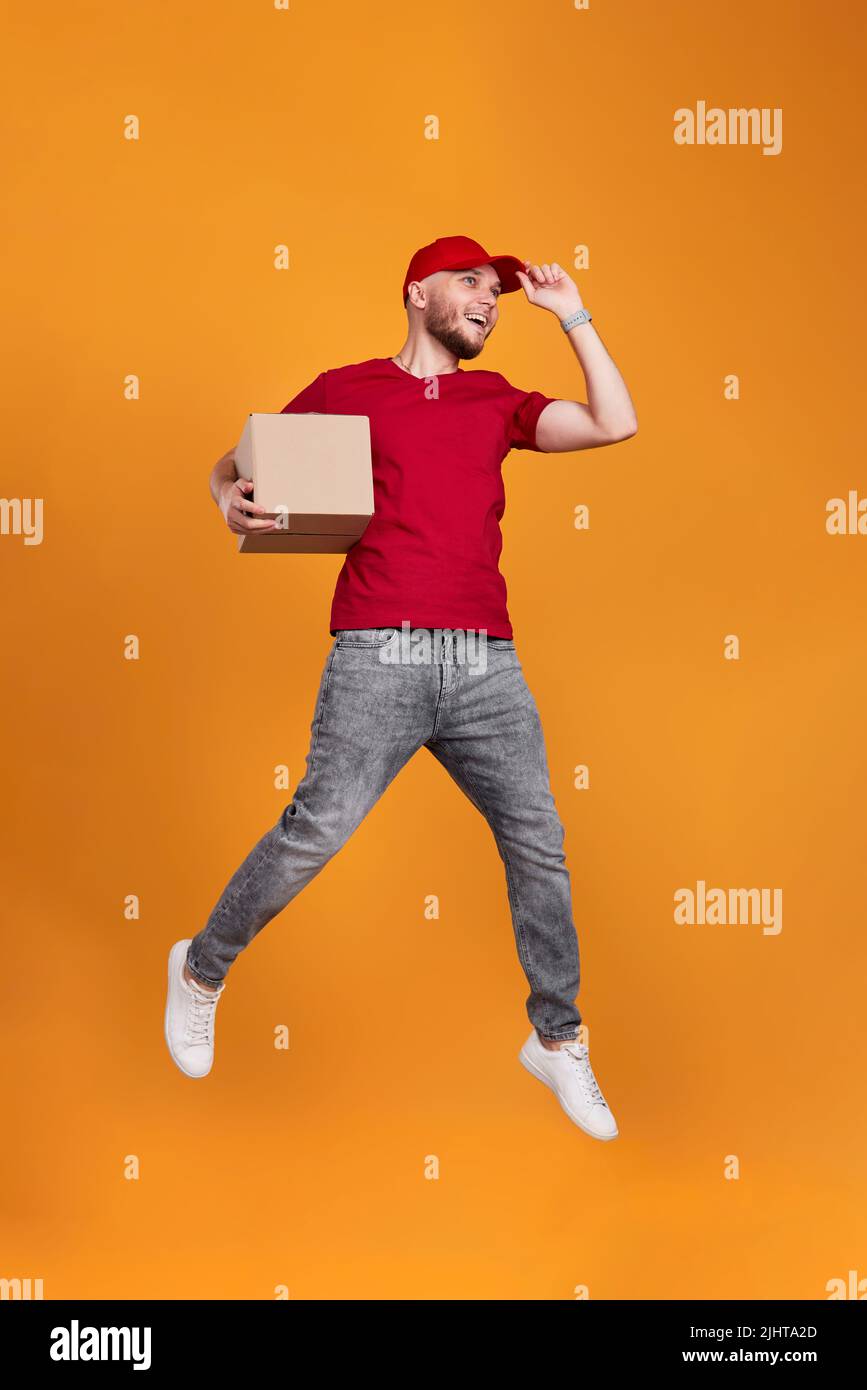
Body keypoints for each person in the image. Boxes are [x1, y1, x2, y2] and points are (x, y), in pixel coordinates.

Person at [164, 235, 637, 1140]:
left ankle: (557, 1038)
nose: (489, 300)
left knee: (538, 842)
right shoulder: (347, 389)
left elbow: (614, 422)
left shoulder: (495, 400)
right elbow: (235, 461)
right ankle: (200, 968)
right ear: (418, 292)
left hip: (485, 662)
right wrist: (225, 495)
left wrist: (570, 312)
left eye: (495, 292)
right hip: (377, 650)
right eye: (471, 283)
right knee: (317, 829)